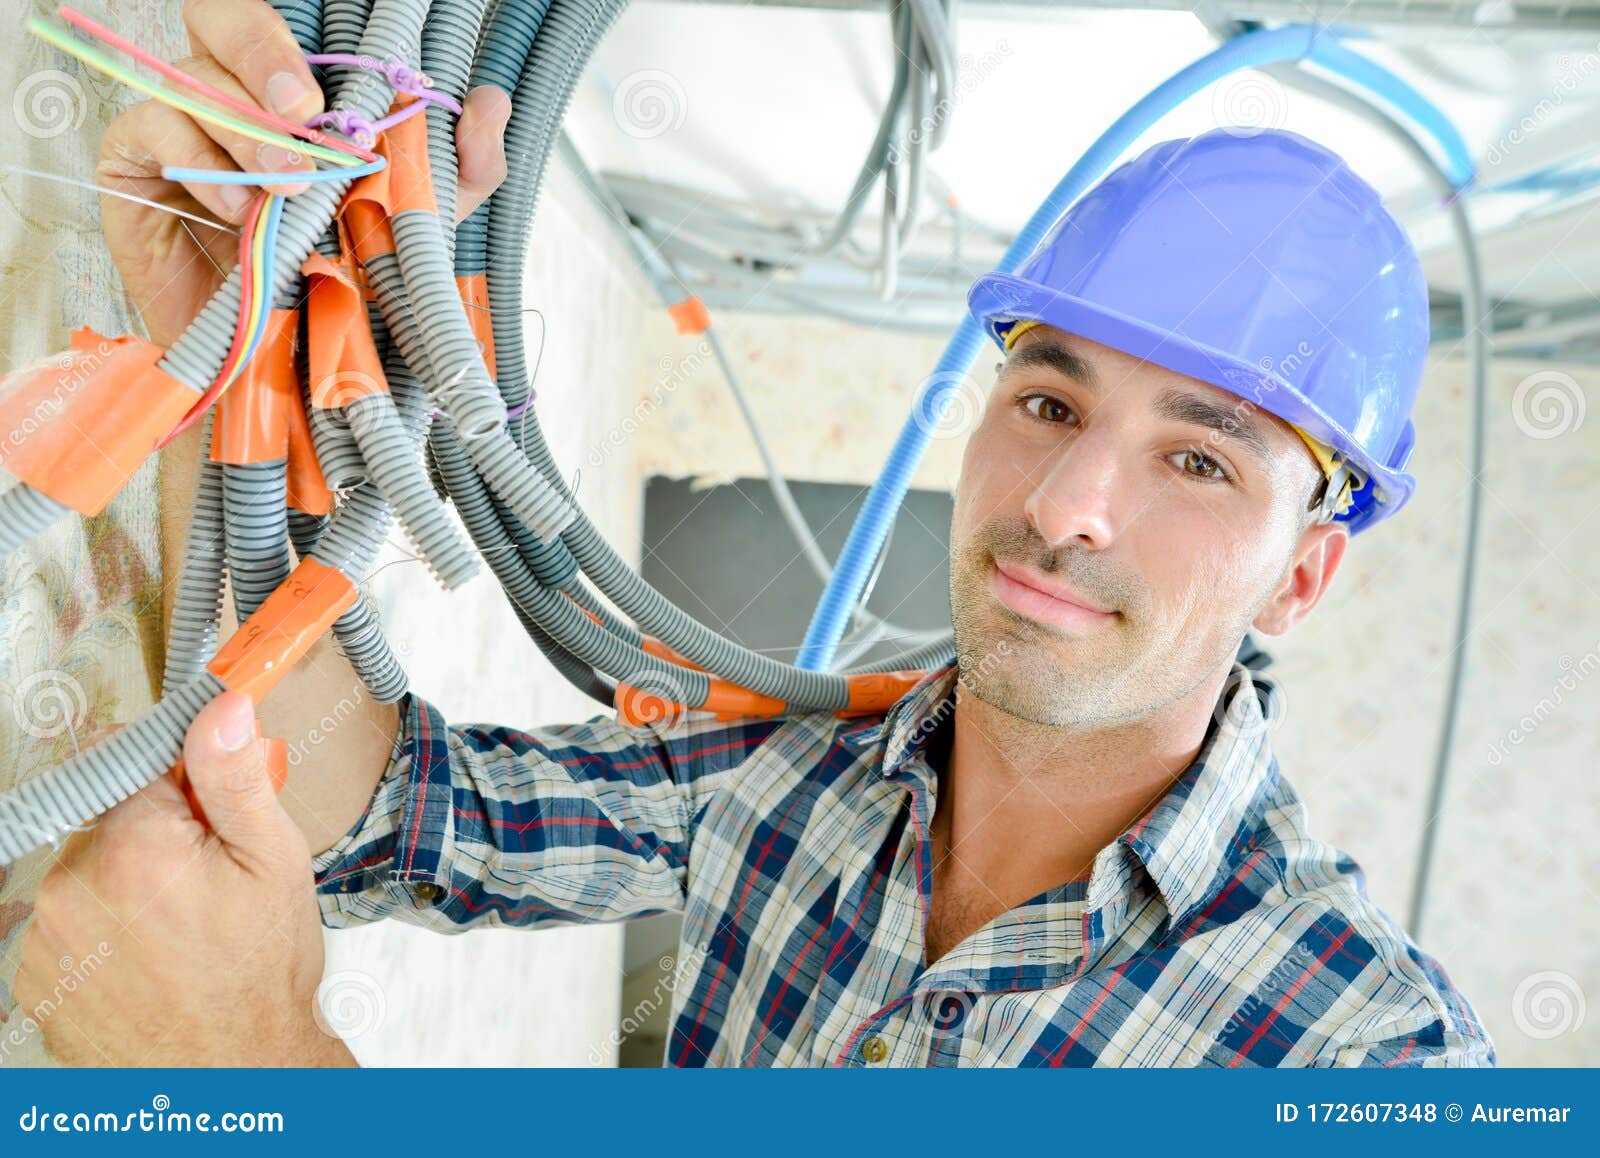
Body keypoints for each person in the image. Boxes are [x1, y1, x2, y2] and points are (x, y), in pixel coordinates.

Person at [15, 0, 1493, 1068]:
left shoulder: (1368, 1057)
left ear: (1301, 573)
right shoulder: (787, 773)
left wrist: (253, 1076)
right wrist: (242, 353)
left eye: (1196, 457)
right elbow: (379, 801)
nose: (1065, 506)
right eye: (1048, 400)